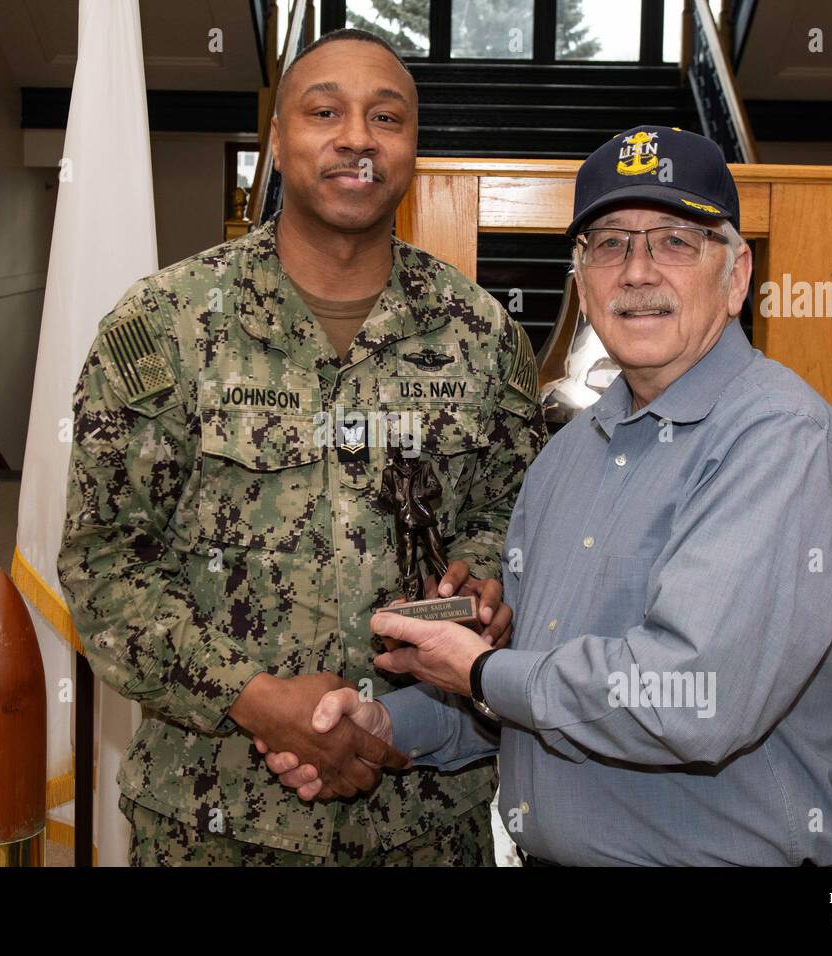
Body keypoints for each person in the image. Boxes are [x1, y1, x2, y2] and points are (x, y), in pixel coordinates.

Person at [261, 126, 832, 867]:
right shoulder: (566, 459)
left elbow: (693, 698)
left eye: (676, 241)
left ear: (737, 273)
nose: (637, 272)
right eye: (610, 244)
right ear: (582, 281)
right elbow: (530, 691)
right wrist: (386, 726)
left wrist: (481, 671)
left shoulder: (780, 443)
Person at [56, 29, 545, 866]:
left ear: (411, 149)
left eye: (386, 117)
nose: (358, 136)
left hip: (423, 806)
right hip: (213, 815)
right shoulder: (164, 326)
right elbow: (105, 563)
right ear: (277, 143)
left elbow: (512, 509)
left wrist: (481, 576)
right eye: (325, 112)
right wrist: (252, 699)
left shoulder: (482, 336)